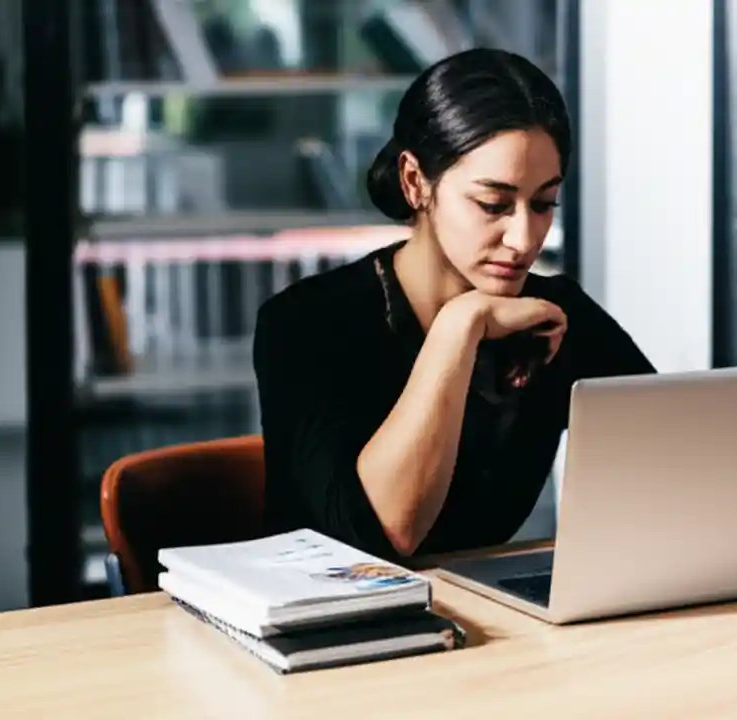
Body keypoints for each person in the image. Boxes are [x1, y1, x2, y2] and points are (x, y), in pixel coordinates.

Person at [253, 49, 655, 560]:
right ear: (416, 182)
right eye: (493, 205)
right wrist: (460, 325)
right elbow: (382, 541)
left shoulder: (555, 313)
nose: (523, 237)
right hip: (323, 622)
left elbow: (679, 454)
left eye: (543, 203)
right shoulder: (306, 324)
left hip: (485, 621)